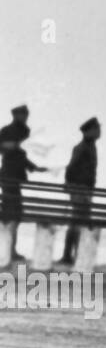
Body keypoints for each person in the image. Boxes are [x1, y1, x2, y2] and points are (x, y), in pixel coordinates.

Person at [1, 105, 48, 263]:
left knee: (15, 214)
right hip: (8, 176)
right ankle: (7, 250)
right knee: (11, 214)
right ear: (16, 115)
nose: (26, 117)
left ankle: (10, 249)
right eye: (24, 114)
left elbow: (21, 156)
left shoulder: (25, 131)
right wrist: (11, 145)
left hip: (14, 177)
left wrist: (34, 167)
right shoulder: (7, 130)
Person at [59, 117, 101, 265]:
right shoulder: (82, 147)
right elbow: (71, 167)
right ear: (88, 131)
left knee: (78, 221)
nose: (99, 132)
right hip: (80, 189)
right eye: (96, 129)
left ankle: (72, 254)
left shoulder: (90, 147)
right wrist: (69, 184)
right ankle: (69, 255)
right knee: (78, 221)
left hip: (85, 189)